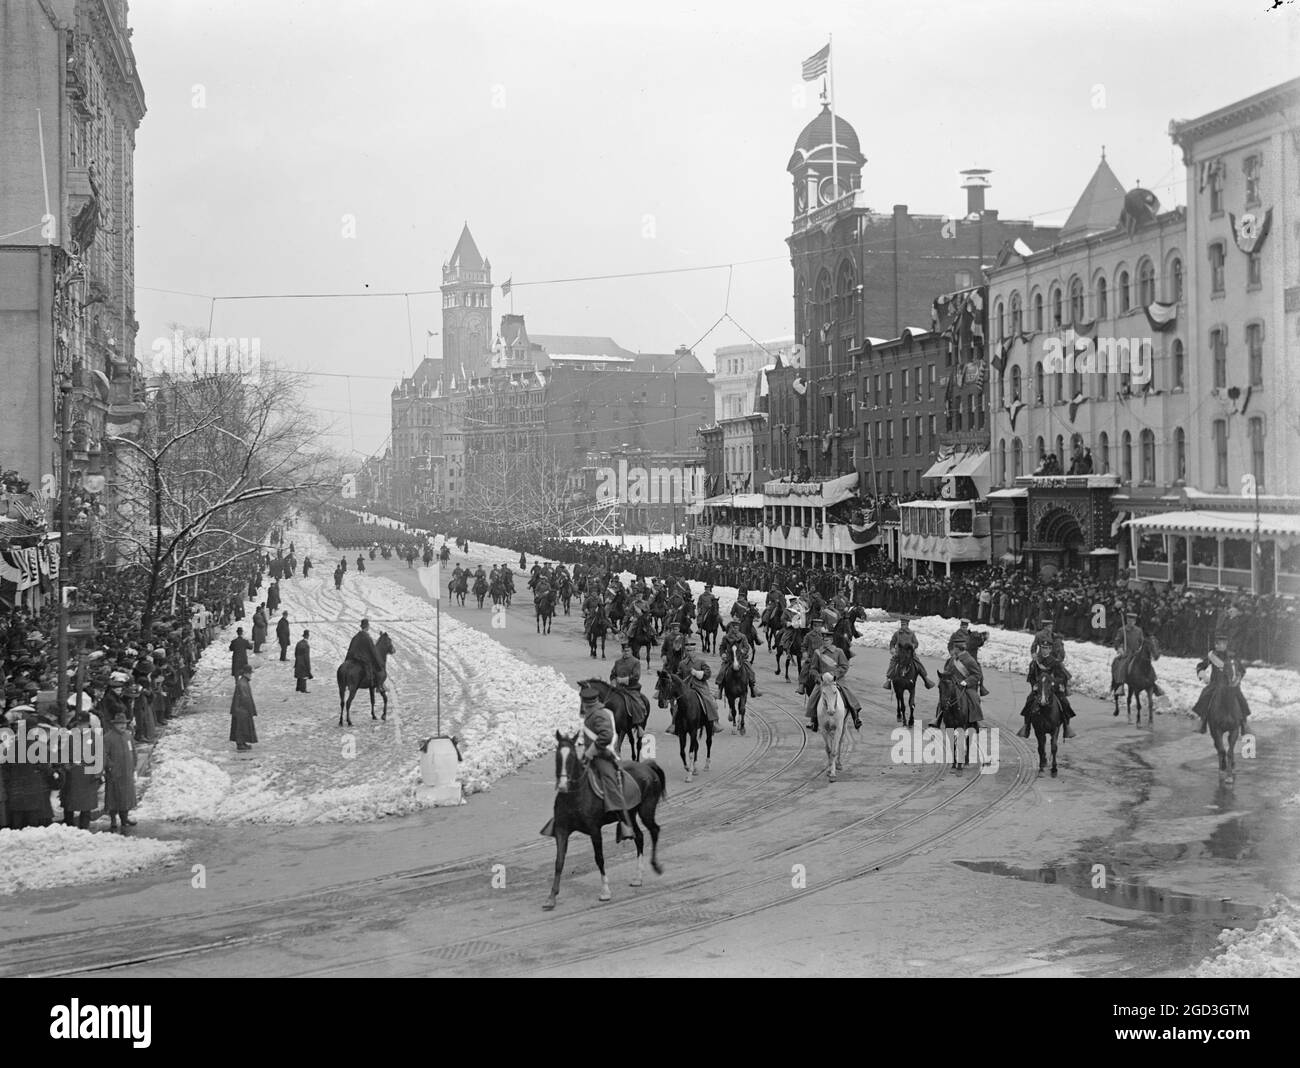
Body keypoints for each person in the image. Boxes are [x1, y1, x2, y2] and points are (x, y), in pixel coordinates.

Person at [576, 682, 635, 840]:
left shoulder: (600, 714)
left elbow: (606, 736)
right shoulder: (591, 714)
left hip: (603, 756)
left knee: (610, 782)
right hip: (592, 755)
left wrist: (590, 751)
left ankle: (625, 823)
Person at [803, 626, 862, 731]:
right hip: (823, 680)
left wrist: (835, 675)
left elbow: (844, 666)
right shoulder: (818, 653)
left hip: (837, 679)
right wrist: (818, 677)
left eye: (827, 640)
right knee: (814, 696)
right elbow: (813, 669)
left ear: (831, 641)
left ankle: (855, 716)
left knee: (847, 694)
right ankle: (813, 720)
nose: (825, 642)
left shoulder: (838, 652)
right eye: (824, 640)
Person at [1194, 629, 1250, 735]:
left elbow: (1241, 670)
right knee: (1205, 695)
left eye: (1224, 643)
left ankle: (1244, 724)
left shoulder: (1232, 656)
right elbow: (1201, 666)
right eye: (1219, 644)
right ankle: (1202, 722)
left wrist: (1237, 678)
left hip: (1230, 684)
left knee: (1240, 698)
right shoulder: (1212, 656)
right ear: (1216, 645)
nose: (1222, 646)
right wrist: (1202, 674)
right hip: (1216, 683)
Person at [932, 639, 984, 729]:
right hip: (952, 685)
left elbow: (977, 674)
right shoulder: (953, 659)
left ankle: (975, 721)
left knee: (974, 699)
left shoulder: (970, 660)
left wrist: (966, 681)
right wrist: (944, 677)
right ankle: (938, 718)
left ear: (958, 649)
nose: (953, 649)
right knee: (943, 699)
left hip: (966, 687)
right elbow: (947, 671)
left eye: (954, 647)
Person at [1111, 610, 1162, 697]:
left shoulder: (1138, 630)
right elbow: (1117, 641)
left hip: (1136, 652)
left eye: (1133, 621)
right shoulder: (1122, 630)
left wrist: (1142, 648)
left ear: (1135, 621)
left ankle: (1153, 683)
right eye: (1129, 620)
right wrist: (1120, 649)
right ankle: (1120, 685)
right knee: (1122, 665)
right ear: (1127, 620)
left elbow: (1141, 641)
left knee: (1148, 665)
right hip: (1126, 653)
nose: (1131, 622)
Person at [675, 637, 721, 732]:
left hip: (700, 686)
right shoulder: (682, 663)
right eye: (687, 651)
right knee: (676, 704)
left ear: (694, 651)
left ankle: (713, 723)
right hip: (686, 687)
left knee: (708, 701)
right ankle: (674, 724)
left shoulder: (701, 662)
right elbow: (679, 676)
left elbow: (708, 673)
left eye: (691, 651)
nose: (689, 653)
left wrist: (698, 673)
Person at [103, 710, 137, 832]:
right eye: (120, 724)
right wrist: (110, 766)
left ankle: (125, 818)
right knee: (113, 797)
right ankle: (113, 820)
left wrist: (134, 765)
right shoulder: (108, 738)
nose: (123, 726)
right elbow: (103, 755)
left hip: (127, 772)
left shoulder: (128, 736)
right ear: (114, 724)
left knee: (126, 796)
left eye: (124, 723)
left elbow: (133, 751)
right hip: (114, 773)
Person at [609, 639, 650, 732]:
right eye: (624, 651)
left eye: (628, 651)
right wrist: (613, 681)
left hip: (631, 688)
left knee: (637, 703)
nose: (626, 653)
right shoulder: (617, 662)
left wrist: (624, 680)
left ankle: (639, 725)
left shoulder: (636, 662)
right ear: (621, 651)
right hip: (618, 689)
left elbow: (636, 677)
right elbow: (612, 674)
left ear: (631, 651)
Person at [885, 616, 934, 689]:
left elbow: (916, 643)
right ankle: (888, 680)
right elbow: (892, 643)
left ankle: (925, 679)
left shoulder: (911, 634)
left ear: (907, 625)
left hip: (910, 653)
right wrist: (893, 649)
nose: (902, 626)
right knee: (892, 664)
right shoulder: (897, 634)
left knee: (918, 664)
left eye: (904, 624)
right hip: (899, 653)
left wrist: (913, 646)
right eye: (902, 624)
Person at [716, 620, 761, 699]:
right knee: (722, 671)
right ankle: (719, 690)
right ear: (731, 628)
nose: (735, 630)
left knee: (750, 670)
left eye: (737, 628)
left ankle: (753, 687)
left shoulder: (743, 637)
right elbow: (722, 647)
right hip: (729, 659)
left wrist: (743, 651)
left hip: (741, 658)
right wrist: (723, 654)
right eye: (734, 628)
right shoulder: (726, 637)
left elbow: (747, 647)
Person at [344, 619, 383, 690]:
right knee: (376, 668)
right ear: (367, 626)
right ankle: (377, 685)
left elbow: (350, 650)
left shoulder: (355, 637)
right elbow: (373, 650)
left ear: (361, 626)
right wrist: (378, 664)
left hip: (354, 658)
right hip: (364, 660)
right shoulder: (368, 638)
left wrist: (346, 661)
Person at [230, 665, 258, 752]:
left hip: (239, 708)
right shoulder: (243, 683)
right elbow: (246, 698)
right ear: (247, 673)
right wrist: (251, 709)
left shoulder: (243, 682)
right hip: (242, 709)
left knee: (242, 726)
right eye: (250, 673)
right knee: (241, 727)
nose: (251, 675)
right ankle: (240, 743)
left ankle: (242, 742)